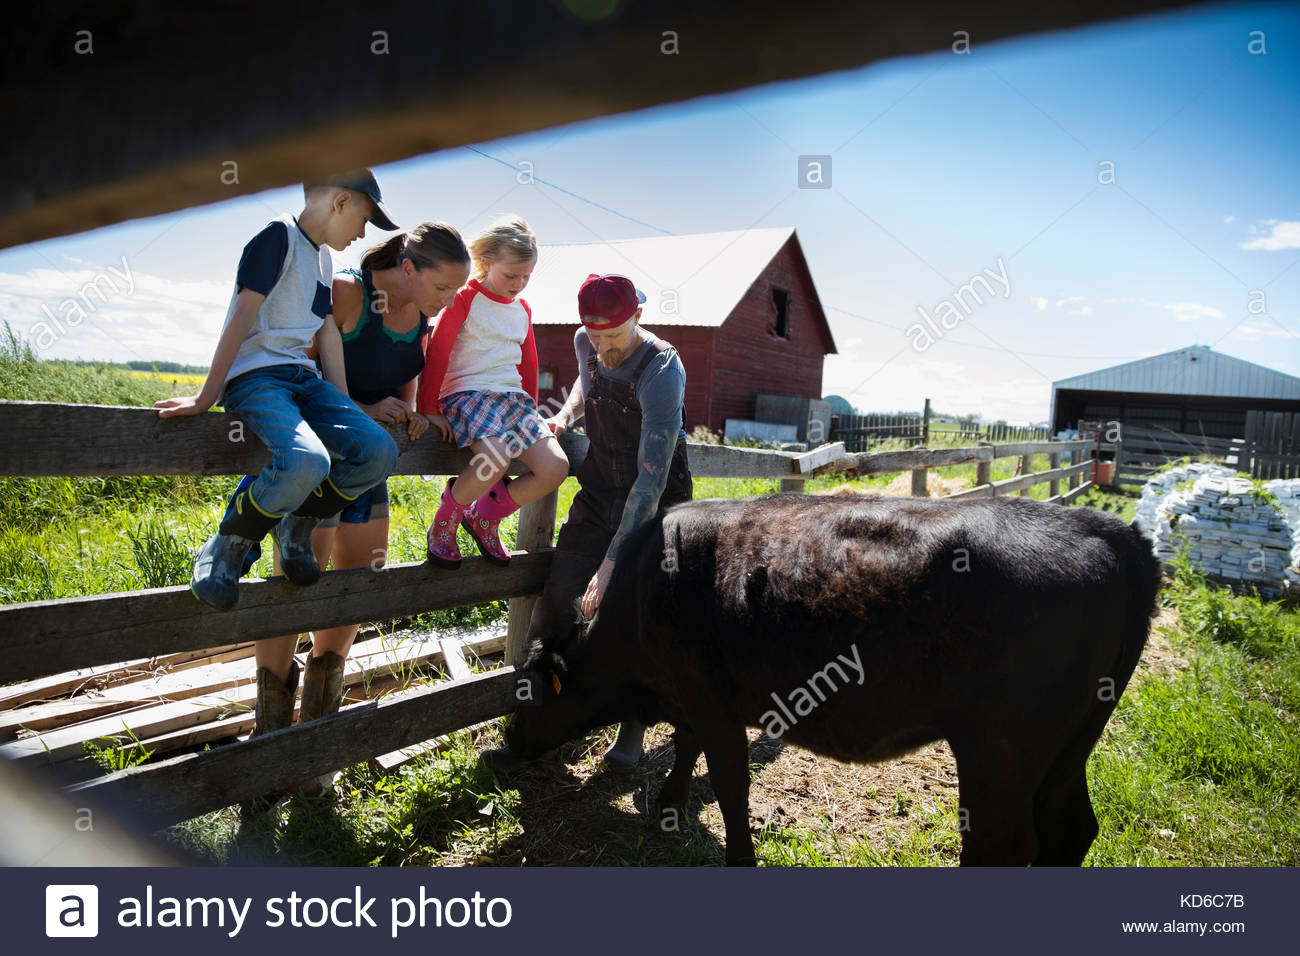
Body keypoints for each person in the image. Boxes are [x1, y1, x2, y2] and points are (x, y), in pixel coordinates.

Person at [234, 223, 470, 754]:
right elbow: (303, 375)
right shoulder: (348, 291)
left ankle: (316, 747)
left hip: (370, 466)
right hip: (321, 459)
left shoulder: (422, 317)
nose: (449, 300)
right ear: (408, 269)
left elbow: (405, 383)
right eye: (443, 288)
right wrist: (363, 411)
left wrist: (412, 414)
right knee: (295, 587)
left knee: (357, 585)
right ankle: (268, 738)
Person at [157, 169, 400, 619]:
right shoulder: (278, 237)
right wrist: (205, 397)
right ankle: (228, 543)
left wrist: (347, 406)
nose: (363, 233)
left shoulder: (324, 260)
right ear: (341, 202)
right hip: (258, 377)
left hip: (304, 379)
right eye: (364, 219)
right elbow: (241, 318)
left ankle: (297, 525)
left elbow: (326, 333)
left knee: (378, 451)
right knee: (308, 460)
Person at [482, 273, 692, 773]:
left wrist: (613, 561)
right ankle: (537, 733)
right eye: (594, 337)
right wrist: (565, 417)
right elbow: (585, 381)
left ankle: (632, 727)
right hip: (599, 494)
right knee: (556, 608)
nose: (603, 347)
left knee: (631, 615)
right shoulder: (587, 342)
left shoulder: (663, 370)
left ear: (637, 317)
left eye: (613, 338)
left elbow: (650, 479)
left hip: (656, 502)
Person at [416, 215, 569, 568]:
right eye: (511, 275)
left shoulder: (523, 309)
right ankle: (446, 519)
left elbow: (528, 365)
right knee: (495, 457)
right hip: (467, 394)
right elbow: (438, 349)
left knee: (555, 467)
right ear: (486, 262)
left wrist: (532, 414)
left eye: (526, 277)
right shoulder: (466, 297)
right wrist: (429, 406)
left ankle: (484, 517)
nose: (519, 284)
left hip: (514, 402)